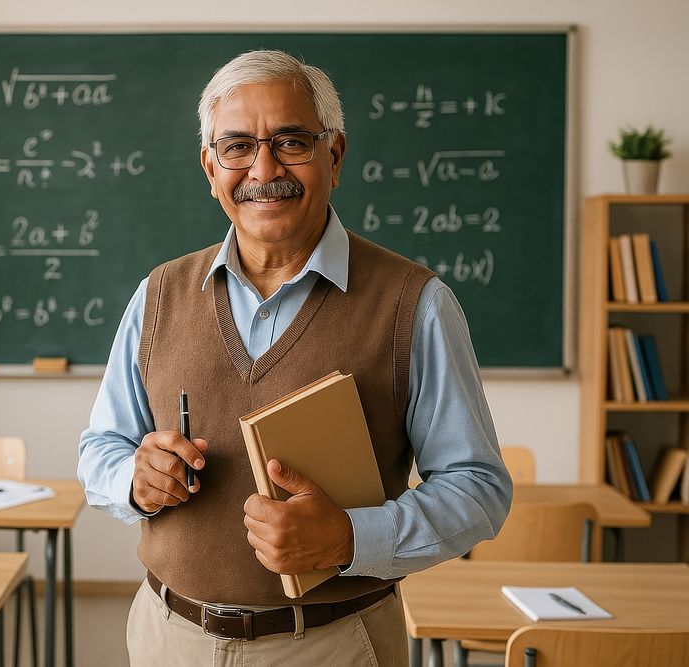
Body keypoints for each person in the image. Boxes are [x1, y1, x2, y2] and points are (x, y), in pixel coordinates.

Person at [78, 50, 512, 666]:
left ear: (334, 155)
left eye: (291, 142)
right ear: (210, 166)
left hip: (336, 644)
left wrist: (349, 538)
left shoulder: (415, 304)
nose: (263, 169)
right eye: (236, 147)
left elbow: (479, 488)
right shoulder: (159, 294)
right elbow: (100, 447)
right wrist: (133, 479)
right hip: (168, 638)